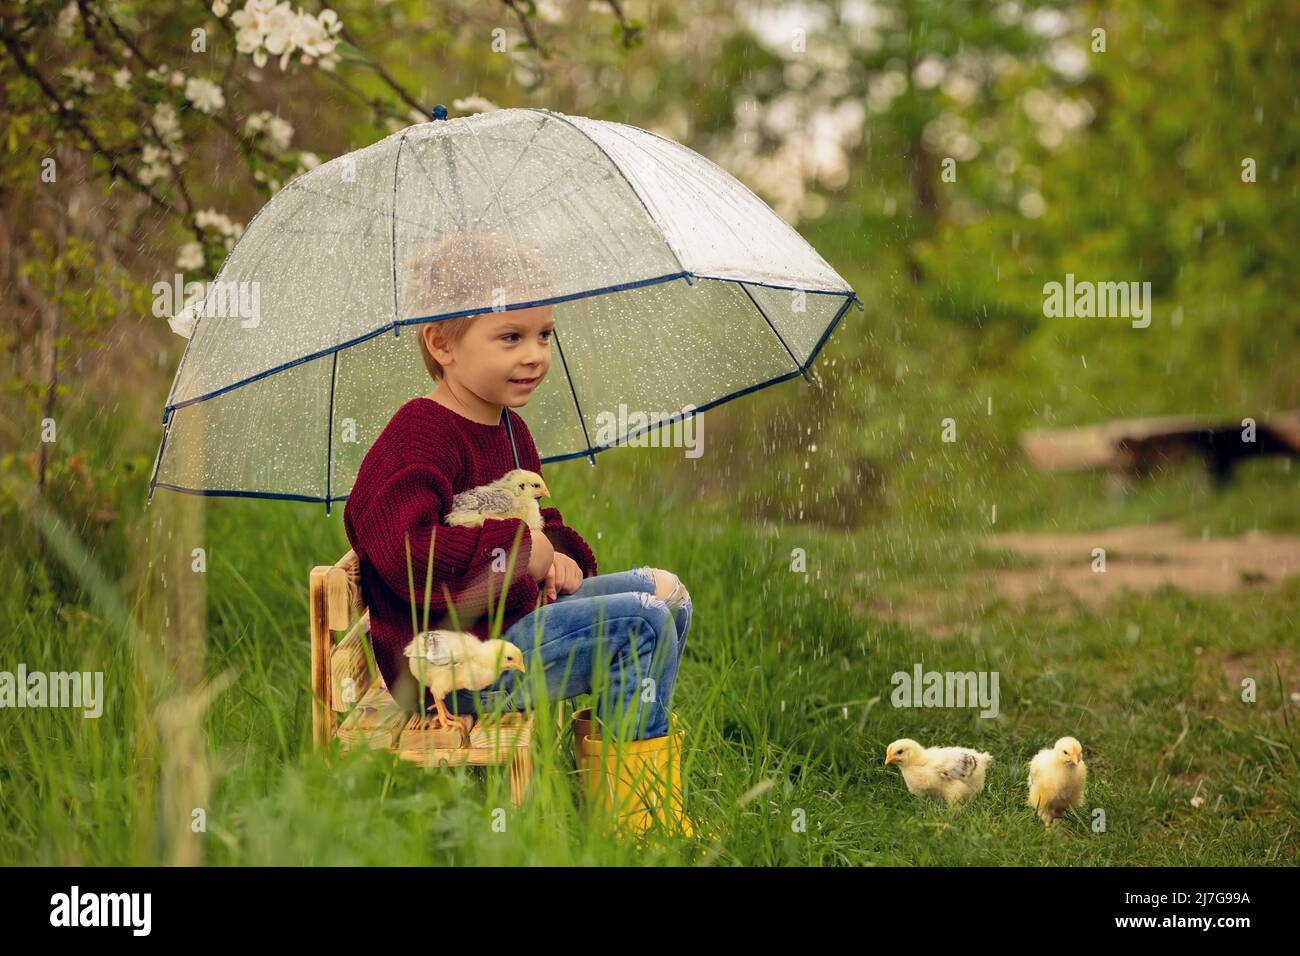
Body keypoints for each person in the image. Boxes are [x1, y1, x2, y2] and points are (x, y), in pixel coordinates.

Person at [342, 230, 695, 837]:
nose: (535, 355)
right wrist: (521, 551)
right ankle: (634, 825)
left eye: (544, 335)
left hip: (512, 621)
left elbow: (541, 526)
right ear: (441, 343)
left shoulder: (508, 430)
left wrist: (561, 556)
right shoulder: (417, 436)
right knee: (640, 623)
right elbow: (406, 555)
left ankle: (614, 780)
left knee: (666, 594)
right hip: (458, 667)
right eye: (511, 337)